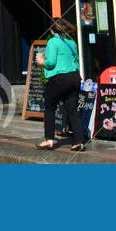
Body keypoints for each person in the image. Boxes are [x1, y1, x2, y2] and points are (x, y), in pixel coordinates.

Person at [37, 18, 85, 152]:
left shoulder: (53, 42)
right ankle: (79, 142)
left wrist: (42, 61)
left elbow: (51, 63)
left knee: (50, 107)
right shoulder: (72, 42)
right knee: (72, 110)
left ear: (53, 30)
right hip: (75, 77)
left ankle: (49, 140)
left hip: (60, 79)